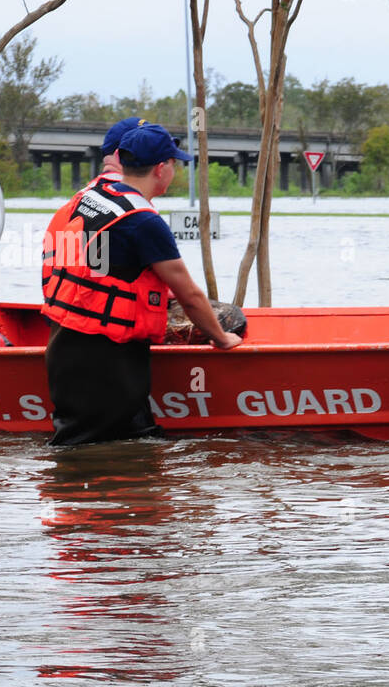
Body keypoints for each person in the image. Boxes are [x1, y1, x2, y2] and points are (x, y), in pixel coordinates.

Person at [42, 122, 242, 446]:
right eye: (174, 164)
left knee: (120, 443)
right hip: (105, 357)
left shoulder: (92, 198)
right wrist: (220, 338)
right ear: (162, 169)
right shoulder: (143, 220)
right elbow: (188, 294)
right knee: (99, 448)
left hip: (65, 342)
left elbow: (94, 271)